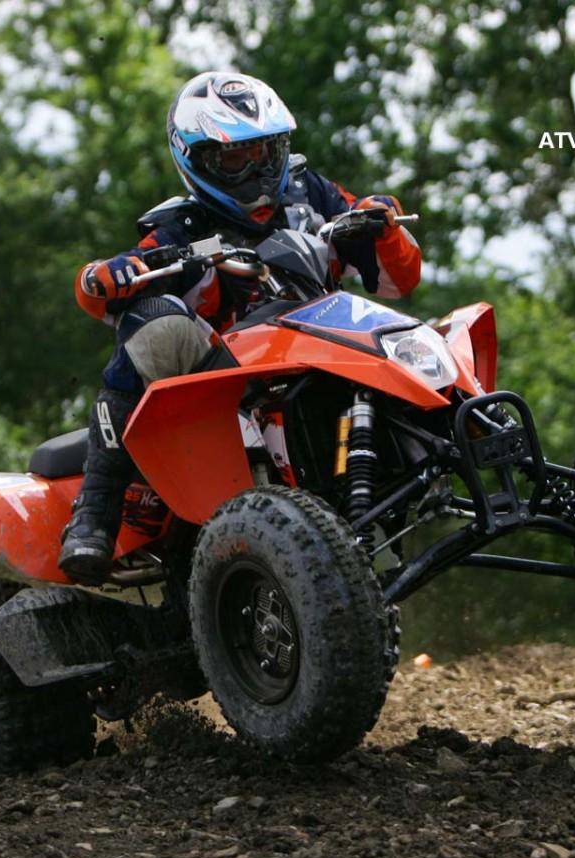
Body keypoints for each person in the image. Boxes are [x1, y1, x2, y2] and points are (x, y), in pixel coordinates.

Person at [58, 71, 422, 585]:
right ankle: (94, 514)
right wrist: (103, 275)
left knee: (435, 332)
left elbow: (397, 281)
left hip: (333, 355)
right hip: (233, 384)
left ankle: (477, 449)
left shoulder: (311, 192)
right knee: (150, 320)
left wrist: (382, 224)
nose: (255, 169)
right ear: (197, 159)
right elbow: (100, 291)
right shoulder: (182, 229)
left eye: (264, 152)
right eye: (235, 158)